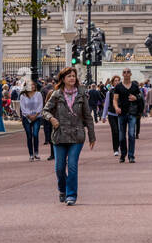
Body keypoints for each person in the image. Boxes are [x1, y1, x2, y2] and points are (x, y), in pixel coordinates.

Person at [42, 66, 96, 205]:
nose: (72, 78)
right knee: (59, 168)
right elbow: (45, 111)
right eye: (69, 76)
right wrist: (51, 119)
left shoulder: (82, 94)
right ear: (63, 79)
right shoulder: (56, 94)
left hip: (77, 135)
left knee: (72, 165)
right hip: (60, 135)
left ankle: (71, 195)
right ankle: (62, 189)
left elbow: (87, 116)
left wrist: (92, 136)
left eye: (73, 75)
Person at [112, 69, 142, 163]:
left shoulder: (135, 86)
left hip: (132, 113)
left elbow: (140, 97)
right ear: (122, 74)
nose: (126, 74)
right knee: (121, 136)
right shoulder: (118, 87)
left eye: (128, 72)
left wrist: (135, 98)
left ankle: (131, 155)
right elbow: (115, 99)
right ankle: (123, 154)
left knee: (131, 135)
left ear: (131, 74)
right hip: (121, 113)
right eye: (124, 72)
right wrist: (116, 107)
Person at [19, 81, 45, 161]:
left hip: (37, 117)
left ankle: (36, 153)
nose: (32, 86)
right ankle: (31, 154)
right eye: (30, 85)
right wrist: (28, 116)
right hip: (26, 118)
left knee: (35, 134)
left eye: (33, 84)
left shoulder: (38, 94)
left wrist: (36, 115)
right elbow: (22, 108)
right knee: (29, 136)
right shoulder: (23, 96)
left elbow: (40, 105)